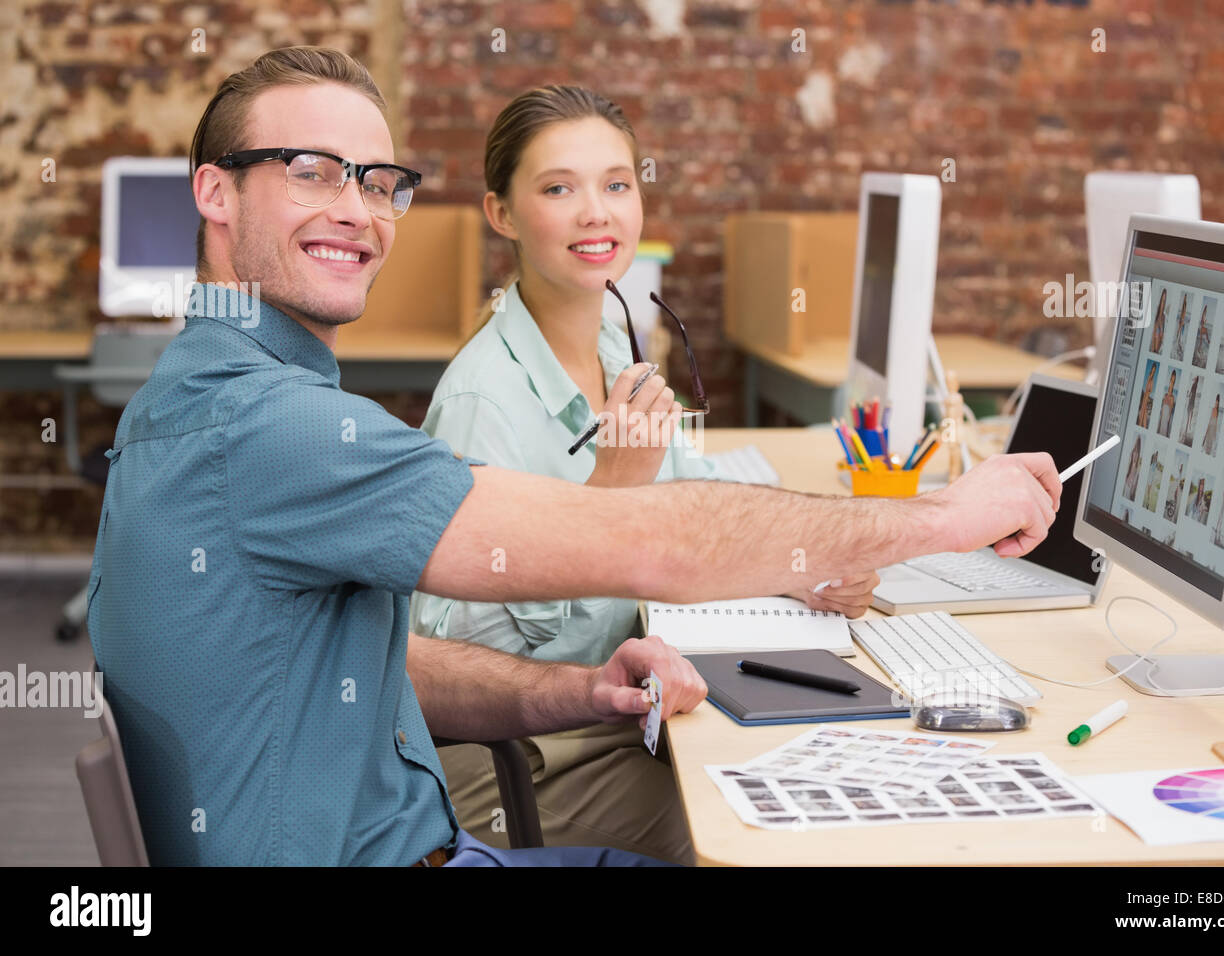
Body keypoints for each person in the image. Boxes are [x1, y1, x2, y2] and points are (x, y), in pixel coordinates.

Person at [87, 47, 1063, 867]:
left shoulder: (219, 392)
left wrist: (572, 688)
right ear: (213, 191)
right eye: (311, 170)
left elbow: (378, 668)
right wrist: (945, 519)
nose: (358, 209)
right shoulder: (273, 429)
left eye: (377, 181)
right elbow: (657, 542)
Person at [407, 85, 872, 861]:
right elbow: (458, 661)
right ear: (503, 214)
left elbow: (696, 520)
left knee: (836, 780)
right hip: (533, 765)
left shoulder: (619, 354)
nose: (598, 212)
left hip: (633, 723)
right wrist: (614, 490)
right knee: (776, 837)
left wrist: (791, 570)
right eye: (559, 188)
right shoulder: (481, 400)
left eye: (617, 184)